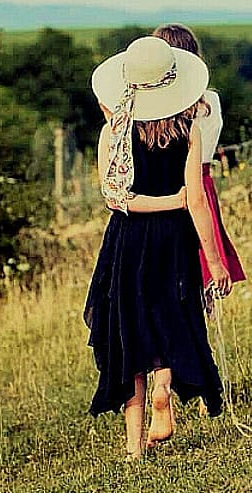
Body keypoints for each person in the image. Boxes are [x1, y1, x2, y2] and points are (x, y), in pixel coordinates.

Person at [85, 36, 231, 460]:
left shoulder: (112, 135)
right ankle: (164, 391)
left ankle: (133, 447)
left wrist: (160, 202)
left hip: (127, 241)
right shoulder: (189, 133)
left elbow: (116, 197)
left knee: (128, 332)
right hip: (174, 237)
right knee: (169, 317)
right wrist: (215, 261)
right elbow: (197, 200)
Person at [151, 23, 247, 295]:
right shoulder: (211, 101)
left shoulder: (160, 110)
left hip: (169, 185)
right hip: (203, 184)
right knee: (202, 261)